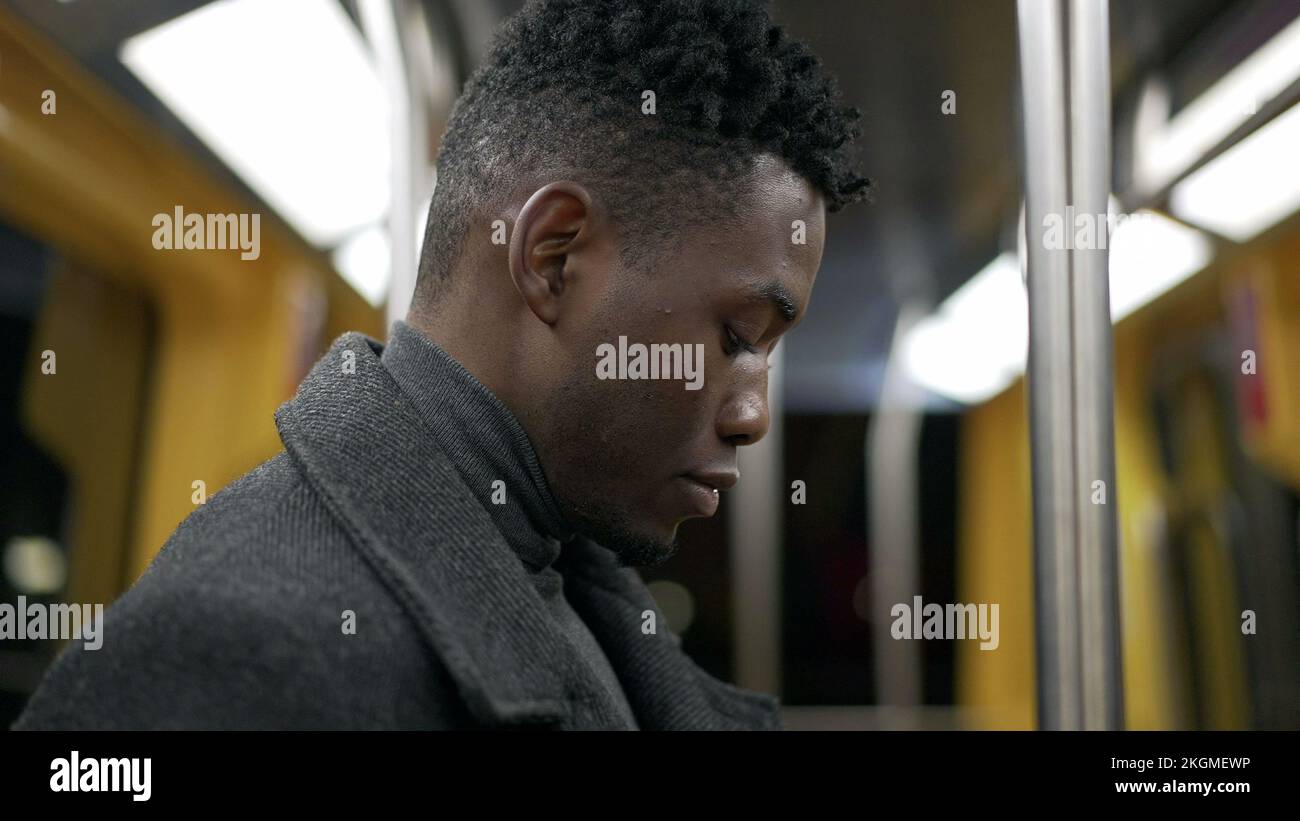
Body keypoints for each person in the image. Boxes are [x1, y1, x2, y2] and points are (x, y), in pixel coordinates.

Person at [14, 0, 869, 730]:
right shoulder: (240, 651)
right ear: (553, 257)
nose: (753, 415)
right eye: (737, 338)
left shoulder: (565, 576)